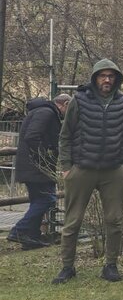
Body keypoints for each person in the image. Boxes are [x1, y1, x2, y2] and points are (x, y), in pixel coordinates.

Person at [53, 59, 123, 285]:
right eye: (102, 75)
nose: (107, 79)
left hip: (114, 170)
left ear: (116, 78)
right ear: (95, 77)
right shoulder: (79, 100)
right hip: (82, 168)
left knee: (114, 220)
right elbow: (65, 135)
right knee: (73, 221)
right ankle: (67, 267)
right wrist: (66, 167)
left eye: (111, 76)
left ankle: (110, 265)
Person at [9, 93, 69, 249]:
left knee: (37, 200)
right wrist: (45, 155)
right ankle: (19, 230)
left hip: (31, 166)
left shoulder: (40, 111)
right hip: (37, 167)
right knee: (47, 199)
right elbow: (32, 136)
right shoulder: (46, 113)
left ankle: (30, 238)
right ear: (65, 104)